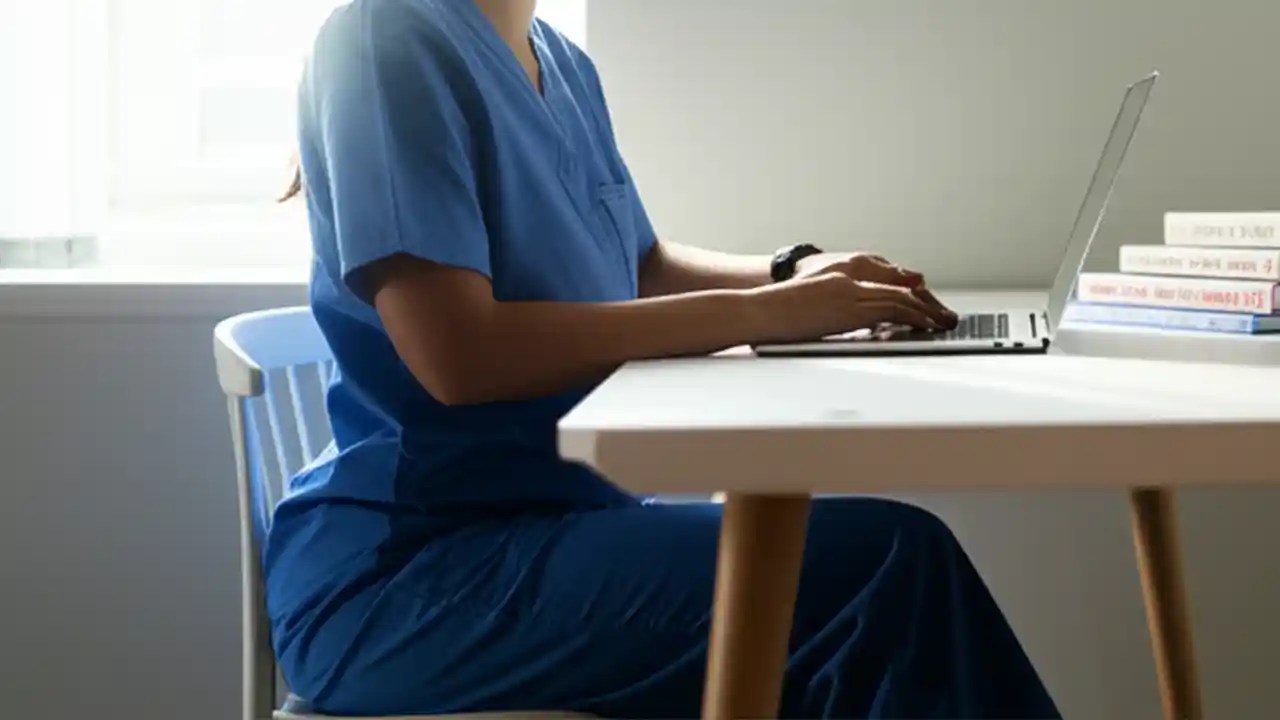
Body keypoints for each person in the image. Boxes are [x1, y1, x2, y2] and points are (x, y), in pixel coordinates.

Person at [266, 0, 1061, 717]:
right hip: (408, 579)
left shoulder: (561, 65)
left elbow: (640, 265)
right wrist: (761, 313)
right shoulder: (383, 40)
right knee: (882, 569)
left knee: (850, 582)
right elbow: (458, 354)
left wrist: (795, 275)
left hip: (561, 526)